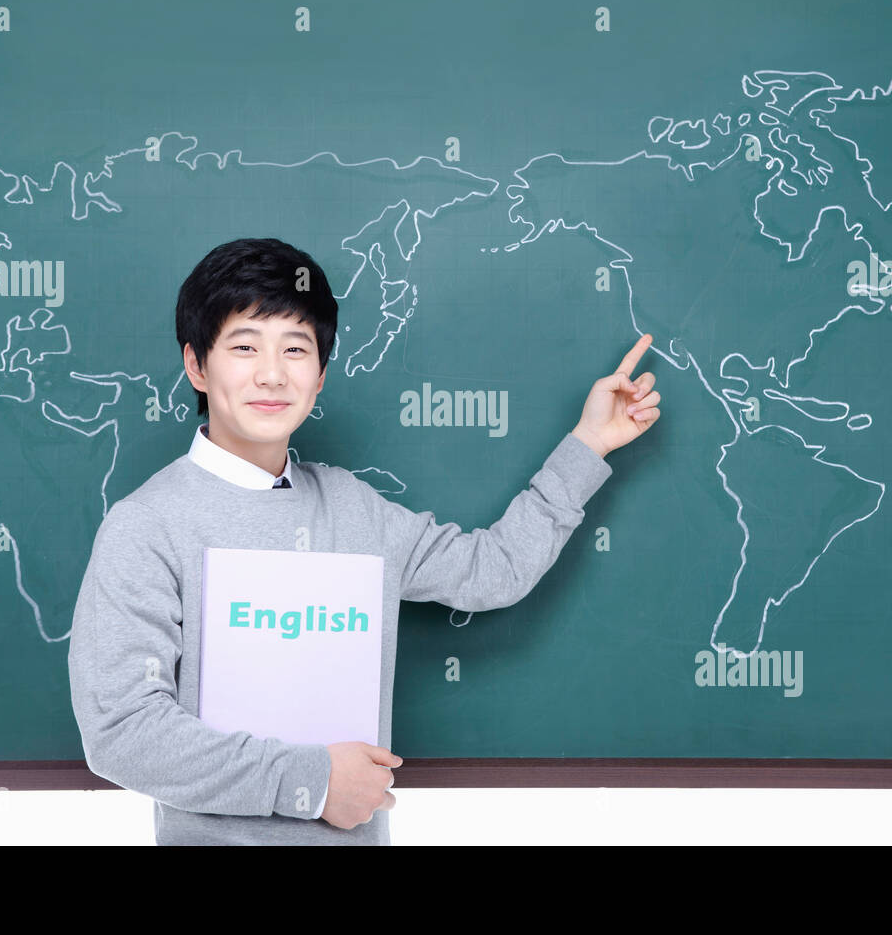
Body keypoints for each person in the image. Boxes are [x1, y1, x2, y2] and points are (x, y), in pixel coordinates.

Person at [67, 237, 661, 844]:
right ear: (197, 364)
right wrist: (313, 782)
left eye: (296, 349)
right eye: (245, 346)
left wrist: (588, 445)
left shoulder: (353, 509)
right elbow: (122, 732)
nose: (272, 373)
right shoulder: (146, 525)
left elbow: (494, 570)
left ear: (320, 375)